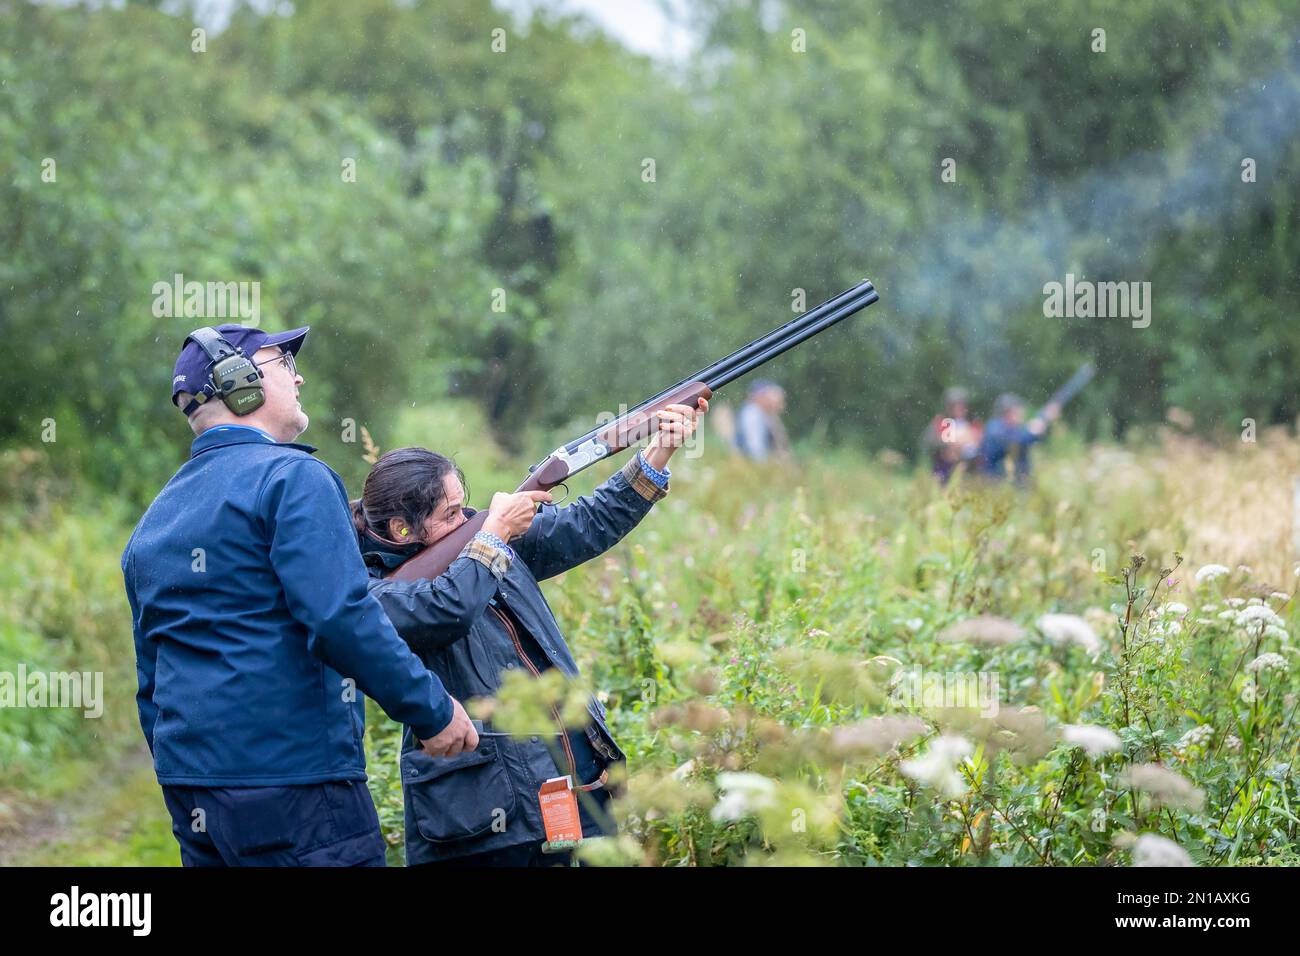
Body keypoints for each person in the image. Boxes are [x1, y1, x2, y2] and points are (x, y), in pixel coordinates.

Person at [121, 323, 477, 867]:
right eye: (283, 364)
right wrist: (431, 710)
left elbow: (151, 677)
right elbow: (340, 616)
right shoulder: (294, 479)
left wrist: (189, 770)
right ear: (242, 384)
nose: (299, 374)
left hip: (193, 791)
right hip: (298, 788)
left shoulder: (153, 522)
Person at [353, 399, 708, 866]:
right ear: (401, 530)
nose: (470, 521)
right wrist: (493, 536)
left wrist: (658, 452)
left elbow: (588, 523)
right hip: (484, 821)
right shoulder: (369, 593)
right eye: (454, 514)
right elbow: (447, 608)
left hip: (575, 784)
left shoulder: (482, 541)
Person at [976, 392, 1061, 485]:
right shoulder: (994, 427)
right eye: (1018, 411)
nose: (1022, 414)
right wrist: (1031, 432)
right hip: (994, 482)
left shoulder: (1015, 429)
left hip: (1012, 483)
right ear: (1009, 412)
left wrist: (1044, 422)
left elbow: (1035, 439)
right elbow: (1012, 441)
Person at [920, 386, 983, 484]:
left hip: (969, 468)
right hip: (944, 468)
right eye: (955, 406)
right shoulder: (940, 421)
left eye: (961, 406)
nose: (958, 409)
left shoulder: (973, 423)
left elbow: (982, 443)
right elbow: (928, 443)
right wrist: (948, 444)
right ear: (948, 407)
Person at [734, 379, 790, 461]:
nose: (780, 406)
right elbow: (756, 448)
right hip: (752, 463)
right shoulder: (752, 414)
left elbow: (782, 444)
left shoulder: (767, 414)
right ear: (759, 397)